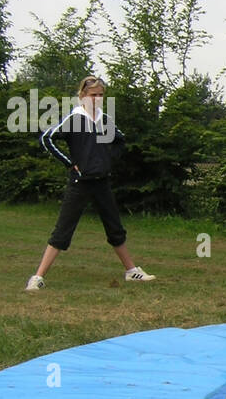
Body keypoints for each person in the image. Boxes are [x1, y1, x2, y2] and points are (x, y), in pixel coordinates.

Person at [26, 75, 154, 290]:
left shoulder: (104, 120)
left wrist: (107, 160)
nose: (97, 99)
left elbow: (119, 140)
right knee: (62, 231)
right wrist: (69, 163)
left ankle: (131, 271)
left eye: (101, 95)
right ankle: (37, 277)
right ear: (83, 95)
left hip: (102, 182)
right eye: (93, 94)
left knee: (115, 228)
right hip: (80, 183)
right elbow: (47, 139)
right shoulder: (74, 119)